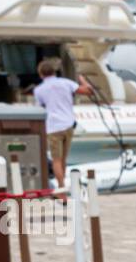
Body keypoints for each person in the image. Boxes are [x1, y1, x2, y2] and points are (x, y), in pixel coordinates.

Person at [33, 58, 94, 188]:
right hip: (68, 124)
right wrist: (82, 79)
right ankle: (62, 186)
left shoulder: (39, 90)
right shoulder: (67, 83)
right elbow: (88, 91)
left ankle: (61, 188)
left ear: (41, 73)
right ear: (55, 72)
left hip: (53, 127)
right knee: (63, 159)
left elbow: (40, 108)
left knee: (56, 160)